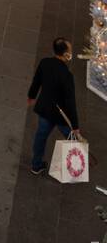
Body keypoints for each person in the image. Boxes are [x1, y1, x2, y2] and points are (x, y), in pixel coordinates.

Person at [28, 37, 82, 175]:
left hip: (45, 110)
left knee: (41, 137)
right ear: (65, 54)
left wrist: (31, 96)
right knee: (72, 138)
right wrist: (75, 126)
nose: (71, 52)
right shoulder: (67, 75)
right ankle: (75, 166)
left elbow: (36, 81)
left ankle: (36, 165)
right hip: (61, 115)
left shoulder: (45, 62)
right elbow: (70, 102)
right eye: (70, 50)